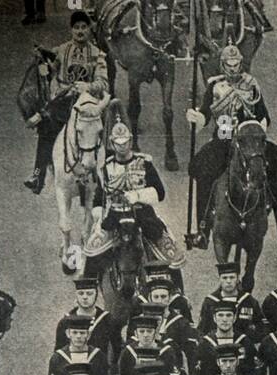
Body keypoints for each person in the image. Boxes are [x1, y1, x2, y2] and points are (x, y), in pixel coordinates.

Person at [186, 42, 277, 247]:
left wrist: (257, 130)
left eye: (237, 65)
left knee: (271, 166)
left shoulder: (251, 85)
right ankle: (203, 228)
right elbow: (206, 114)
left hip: (248, 139)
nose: (234, 69)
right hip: (224, 137)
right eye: (230, 65)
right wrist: (197, 118)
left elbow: (264, 116)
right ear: (223, 65)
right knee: (203, 172)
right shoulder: (215, 86)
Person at [24, 12, 109, 194]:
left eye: (83, 27)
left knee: (98, 132)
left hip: (86, 102)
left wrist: (88, 86)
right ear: (71, 30)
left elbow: (104, 83)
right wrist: (43, 66)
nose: (80, 31)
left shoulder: (97, 54)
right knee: (47, 128)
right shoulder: (62, 50)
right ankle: (38, 174)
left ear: (89, 29)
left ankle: (104, 178)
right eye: (76, 27)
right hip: (63, 99)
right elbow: (51, 71)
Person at [100, 117, 181, 267]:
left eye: (125, 143)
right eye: (118, 144)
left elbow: (160, 192)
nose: (122, 147)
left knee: (167, 247)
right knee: (94, 248)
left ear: (130, 142)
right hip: (115, 213)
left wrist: (137, 196)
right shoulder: (106, 166)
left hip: (141, 211)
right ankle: (88, 285)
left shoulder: (144, 163)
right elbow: (101, 194)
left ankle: (175, 286)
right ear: (112, 144)